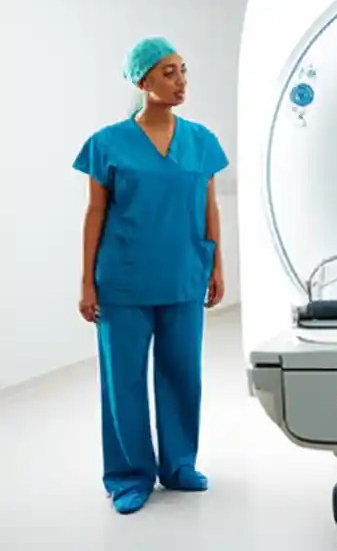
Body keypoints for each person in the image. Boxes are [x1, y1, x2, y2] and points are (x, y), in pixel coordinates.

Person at [75, 37, 229, 515]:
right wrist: (85, 281)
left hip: (184, 272)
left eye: (183, 71)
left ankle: (179, 465)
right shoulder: (107, 143)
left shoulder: (201, 140)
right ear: (142, 80)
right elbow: (95, 212)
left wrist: (218, 264)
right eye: (168, 72)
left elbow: (209, 204)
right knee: (123, 380)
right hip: (122, 280)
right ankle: (128, 475)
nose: (180, 81)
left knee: (183, 374)